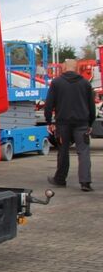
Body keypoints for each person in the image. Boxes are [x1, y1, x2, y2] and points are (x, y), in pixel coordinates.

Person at [45, 58, 96, 191]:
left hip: (63, 123)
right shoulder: (85, 83)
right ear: (77, 68)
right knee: (83, 151)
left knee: (63, 150)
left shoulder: (56, 83)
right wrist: (90, 122)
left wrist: (49, 121)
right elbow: (91, 105)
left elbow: (49, 103)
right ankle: (85, 182)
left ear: (64, 68)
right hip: (82, 123)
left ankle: (60, 179)